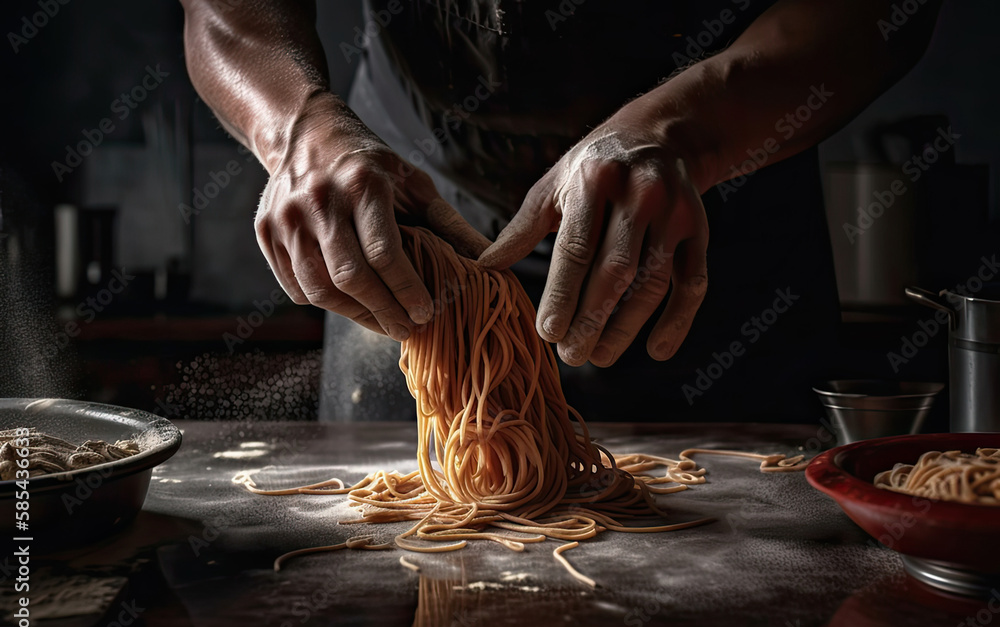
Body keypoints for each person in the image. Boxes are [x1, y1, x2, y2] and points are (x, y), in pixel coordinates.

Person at [180, 0, 942, 422]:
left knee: (745, 567)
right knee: (390, 585)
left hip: (709, 192)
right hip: (412, 203)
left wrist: (685, 134)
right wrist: (298, 128)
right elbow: (226, 12)